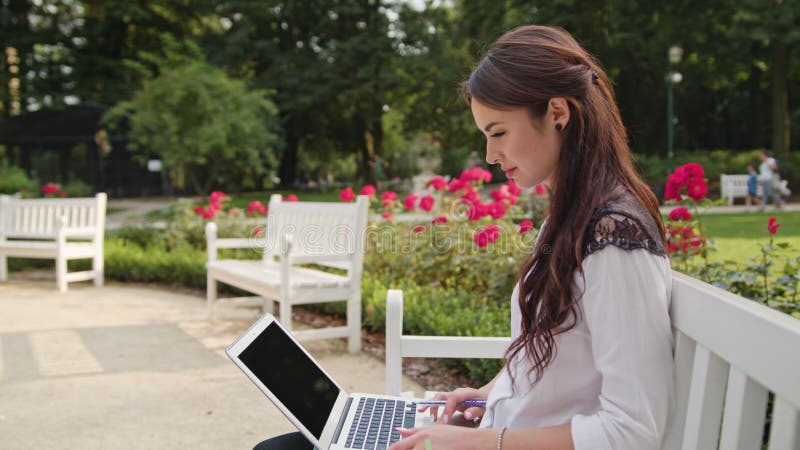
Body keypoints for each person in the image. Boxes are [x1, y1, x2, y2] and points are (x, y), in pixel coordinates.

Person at [254, 25, 673, 450]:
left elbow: (632, 431)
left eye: (498, 133)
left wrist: (484, 441)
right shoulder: (574, 218)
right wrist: (487, 395)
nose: (491, 156)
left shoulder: (617, 240)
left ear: (558, 113)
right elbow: (556, 363)